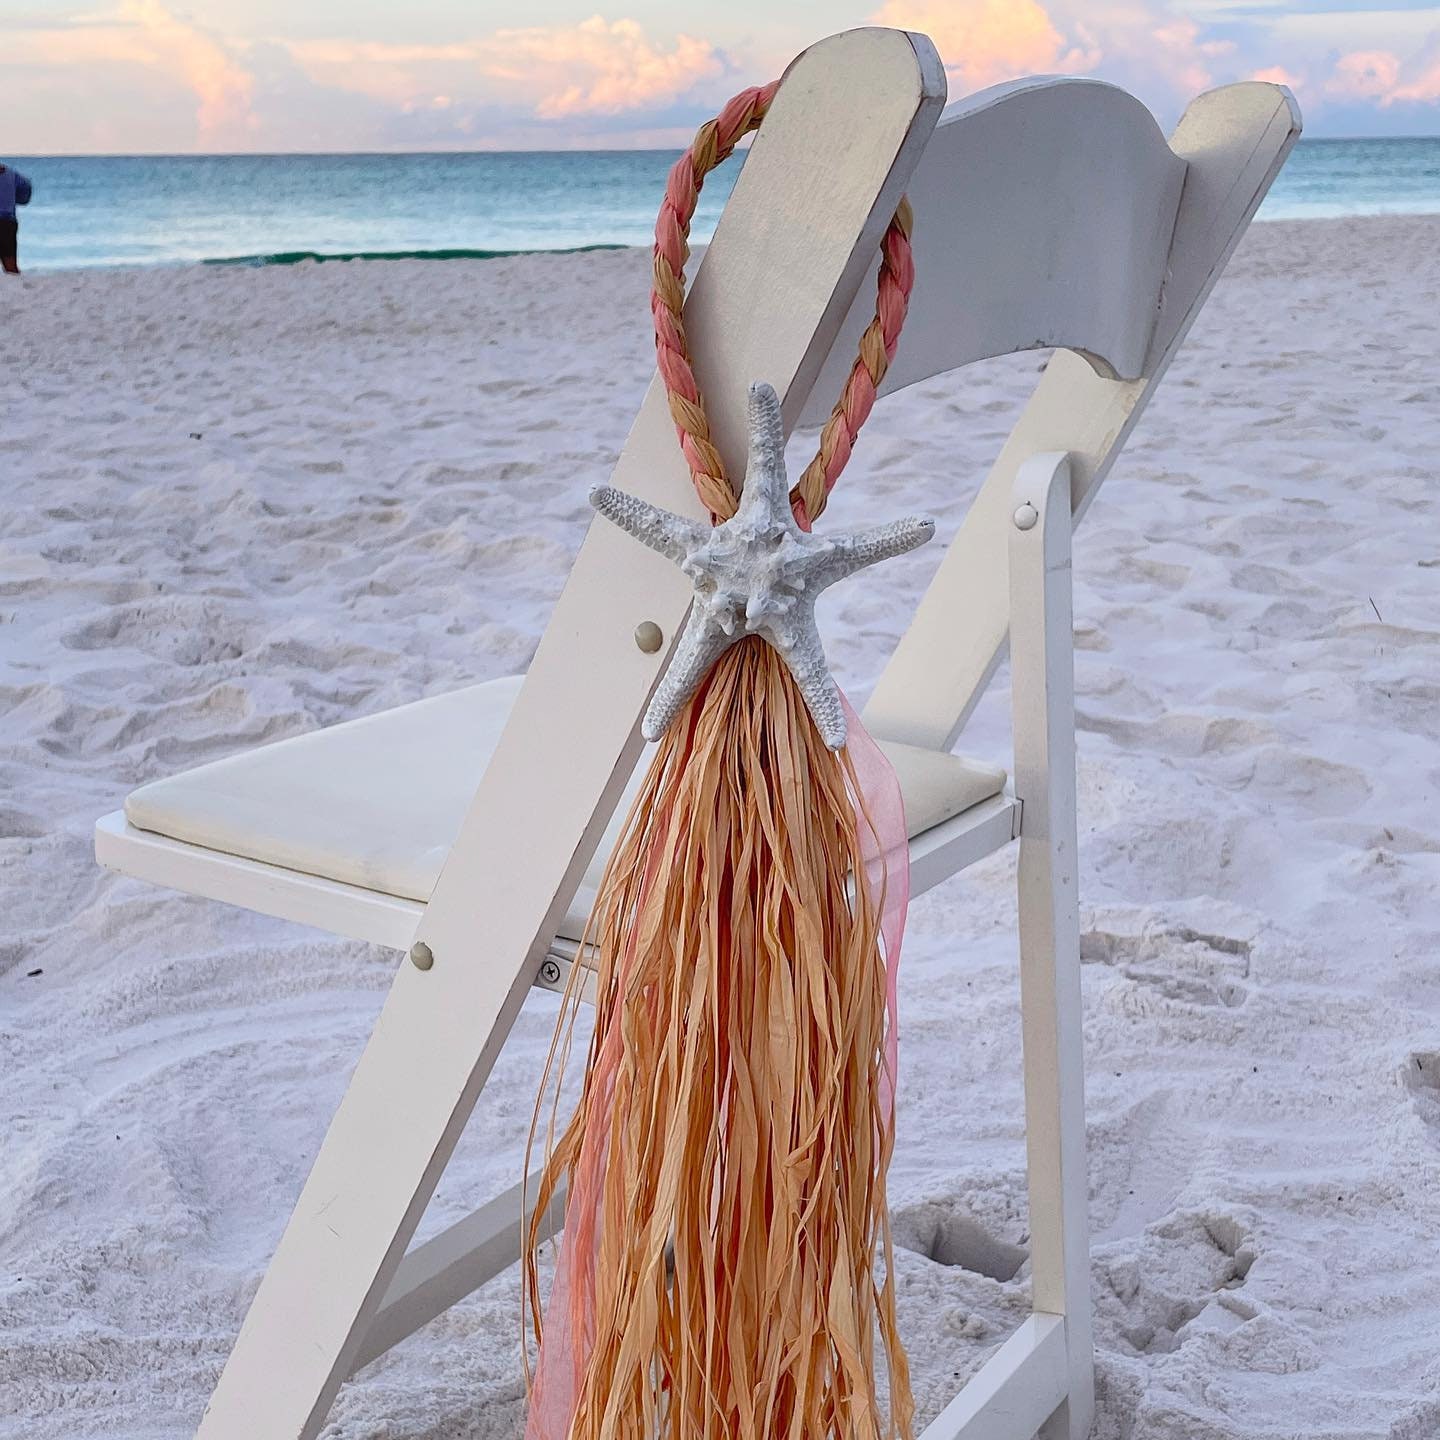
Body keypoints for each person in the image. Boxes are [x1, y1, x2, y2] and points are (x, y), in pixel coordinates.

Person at [0, 162, 33, 275]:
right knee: (10, 263)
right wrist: (13, 199)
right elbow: (26, 189)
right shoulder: (10, 174)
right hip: (7, 220)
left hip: (7, 220)